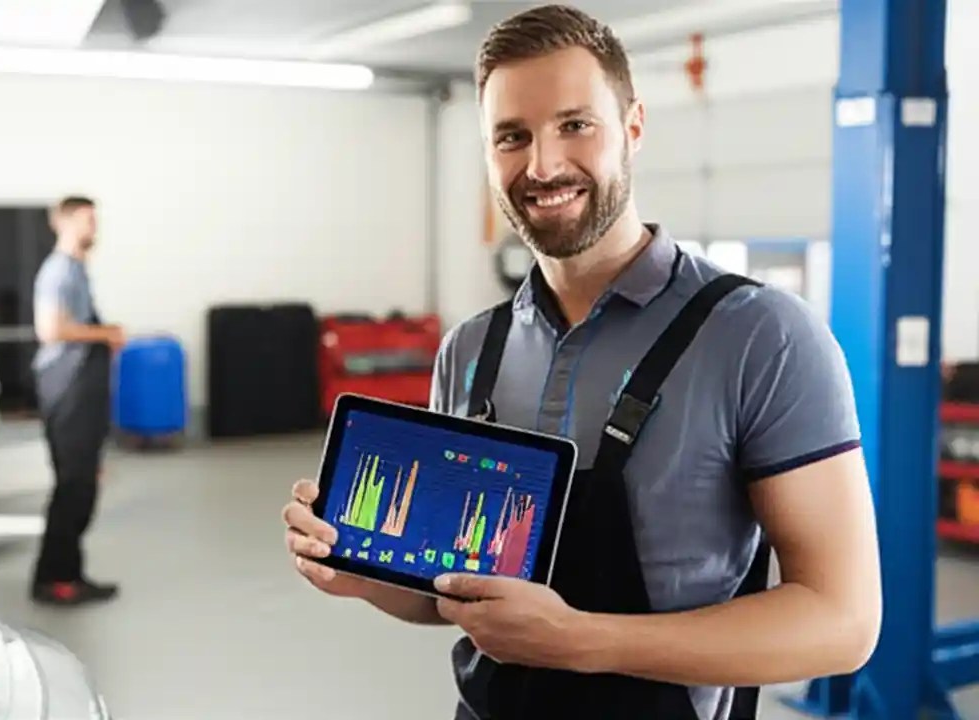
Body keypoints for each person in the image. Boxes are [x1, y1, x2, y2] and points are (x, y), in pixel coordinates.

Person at [282, 5, 881, 719]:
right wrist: (357, 574)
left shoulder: (762, 336)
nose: (542, 165)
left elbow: (842, 622)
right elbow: (450, 593)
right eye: (512, 137)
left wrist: (582, 640)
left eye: (575, 124)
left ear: (632, 127)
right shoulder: (473, 350)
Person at [30, 195, 124, 605]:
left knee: (83, 485)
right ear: (63, 223)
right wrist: (107, 333)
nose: (94, 228)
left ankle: (69, 573)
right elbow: (50, 330)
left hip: (82, 390)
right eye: (87, 220)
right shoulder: (57, 271)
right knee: (72, 487)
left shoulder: (76, 270)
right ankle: (54, 579)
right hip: (66, 389)